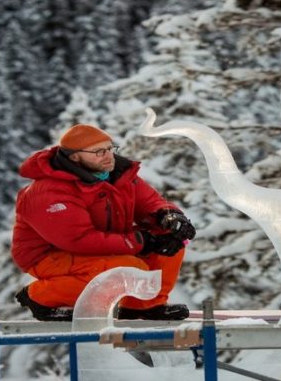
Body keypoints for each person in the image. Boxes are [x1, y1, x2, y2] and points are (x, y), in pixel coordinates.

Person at [11, 123, 196, 321]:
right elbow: (78, 239)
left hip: (100, 246)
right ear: (74, 157)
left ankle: (142, 306)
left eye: (109, 148)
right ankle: (40, 297)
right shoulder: (48, 190)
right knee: (129, 268)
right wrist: (140, 242)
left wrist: (169, 216)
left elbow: (150, 202)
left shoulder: (118, 176)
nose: (108, 156)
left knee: (169, 239)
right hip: (49, 256)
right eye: (98, 152)